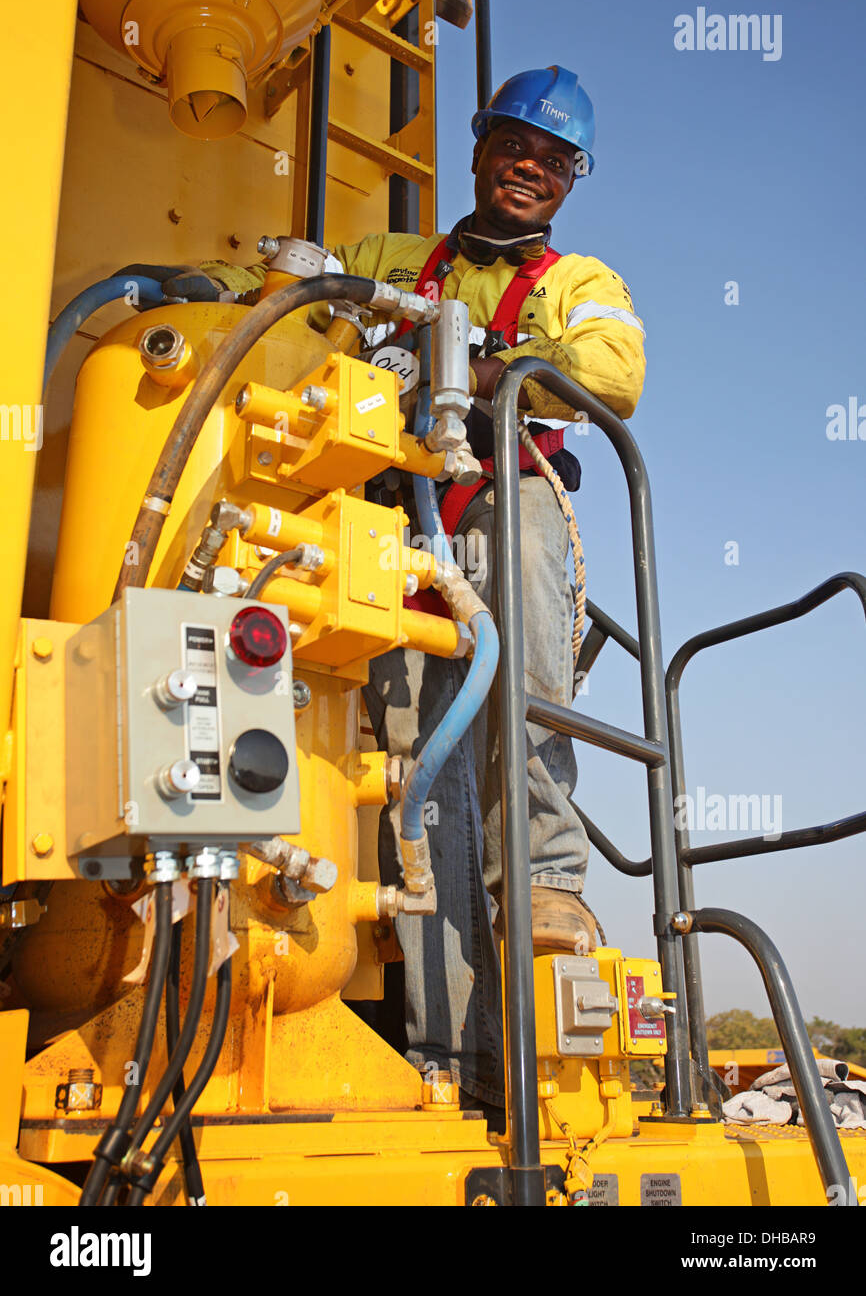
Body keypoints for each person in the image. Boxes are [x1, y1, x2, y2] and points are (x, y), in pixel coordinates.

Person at [121, 65, 646, 1122]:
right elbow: (300, 305)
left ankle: (546, 879)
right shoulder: (395, 261)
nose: (531, 169)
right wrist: (221, 287)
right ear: (479, 146)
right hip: (397, 527)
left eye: (554, 159)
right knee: (417, 766)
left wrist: (487, 368)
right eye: (515, 145)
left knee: (521, 695)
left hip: (508, 494)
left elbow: (611, 368)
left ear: (571, 181)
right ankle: (450, 1052)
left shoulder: (575, 279)